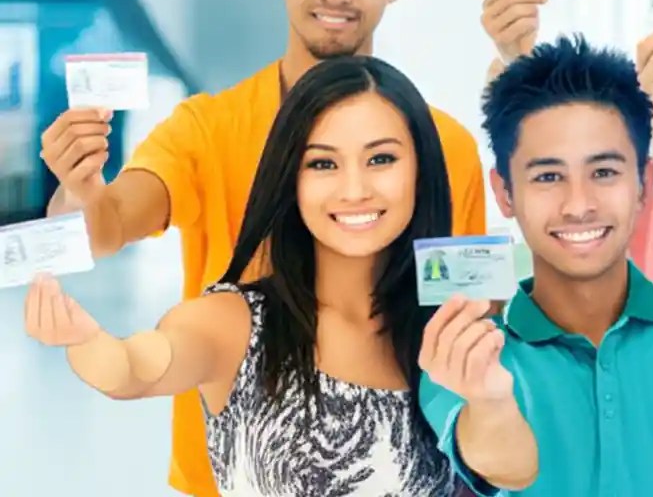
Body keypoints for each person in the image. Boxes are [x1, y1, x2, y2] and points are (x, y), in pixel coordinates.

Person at [35, 0, 487, 497]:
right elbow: (104, 228)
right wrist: (81, 187)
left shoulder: (447, 147)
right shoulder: (207, 127)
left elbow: (462, 306)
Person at [25, 56, 460, 496]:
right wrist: (87, 342)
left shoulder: (447, 329)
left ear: (421, 170)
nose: (354, 190)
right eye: (323, 164)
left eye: (381, 159)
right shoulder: (236, 323)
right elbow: (136, 368)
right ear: (290, 178)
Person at [416, 35, 653, 496]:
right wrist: (490, 396)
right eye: (548, 176)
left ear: (644, 183)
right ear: (504, 193)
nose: (579, 205)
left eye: (604, 172)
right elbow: (506, 469)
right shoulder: (465, 351)